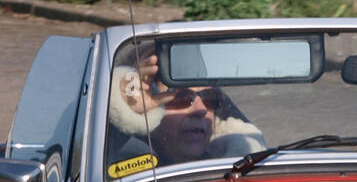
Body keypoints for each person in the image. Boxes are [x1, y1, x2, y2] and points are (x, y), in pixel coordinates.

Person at [106, 42, 266, 171]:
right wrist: (126, 106)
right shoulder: (114, 168)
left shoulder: (242, 161)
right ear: (145, 113)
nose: (201, 109)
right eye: (180, 97)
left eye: (209, 98)